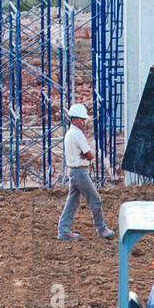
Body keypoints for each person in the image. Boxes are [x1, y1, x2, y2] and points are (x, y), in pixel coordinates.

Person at [57, 103, 115, 242]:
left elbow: (85, 154)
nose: (84, 122)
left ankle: (63, 230)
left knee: (72, 201)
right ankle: (102, 229)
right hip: (80, 173)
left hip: (74, 171)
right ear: (75, 119)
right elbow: (89, 155)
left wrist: (84, 155)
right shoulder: (77, 134)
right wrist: (87, 154)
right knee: (95, 200)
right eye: (82, 119)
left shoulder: (70, 133)